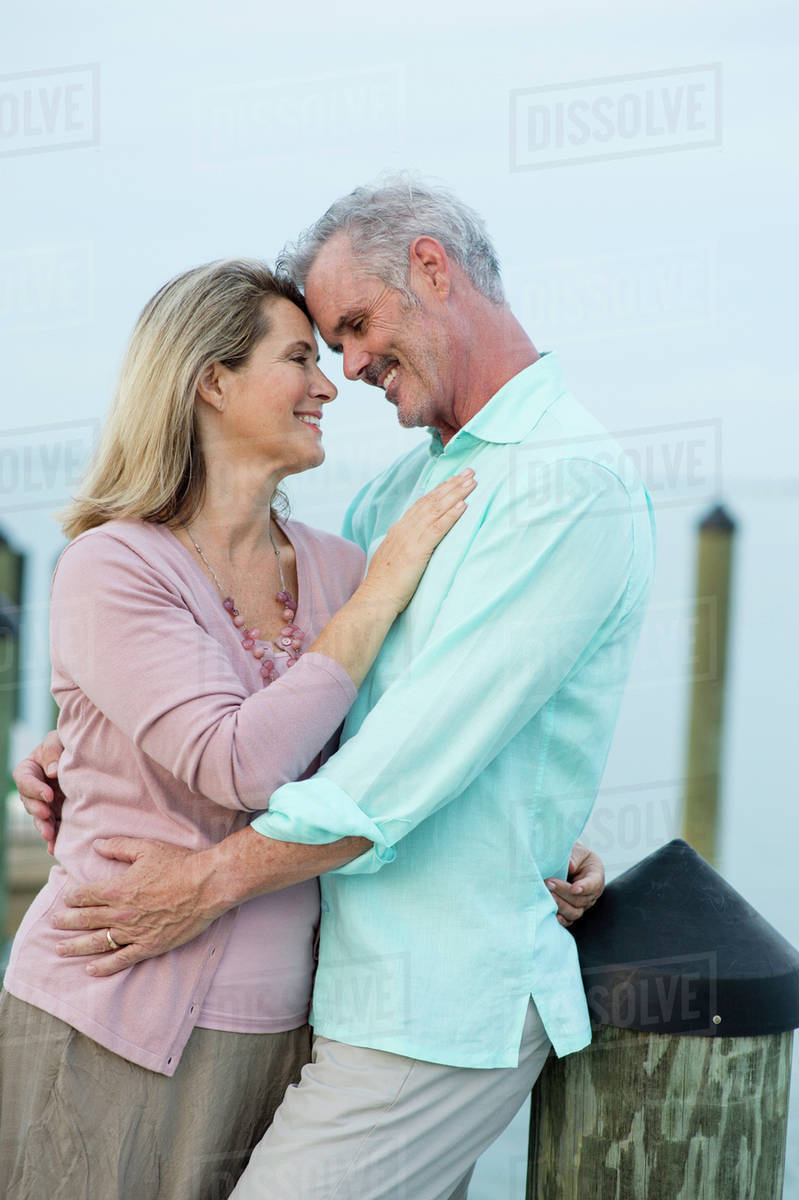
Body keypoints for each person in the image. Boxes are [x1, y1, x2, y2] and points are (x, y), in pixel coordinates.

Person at [15, 176, 640, 1200]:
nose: (345, 371)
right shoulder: (396, 499)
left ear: (431, 269)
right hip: (332, 993)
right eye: (314, 348)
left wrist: (208, 881)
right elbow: (325, 703)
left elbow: (411, 756)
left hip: (436, 1001)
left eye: (349, 329)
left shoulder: (561, 479)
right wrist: (80, 739)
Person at [0, 258, 486, 1199]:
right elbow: (239, 761)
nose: (325, 385)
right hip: (109, 1019)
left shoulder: (338, 568)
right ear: (210, 381)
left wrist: (540, 847)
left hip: (300, 1033)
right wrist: (387, 590)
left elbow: (406, 752)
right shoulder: (112, 565)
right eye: (299, 357)